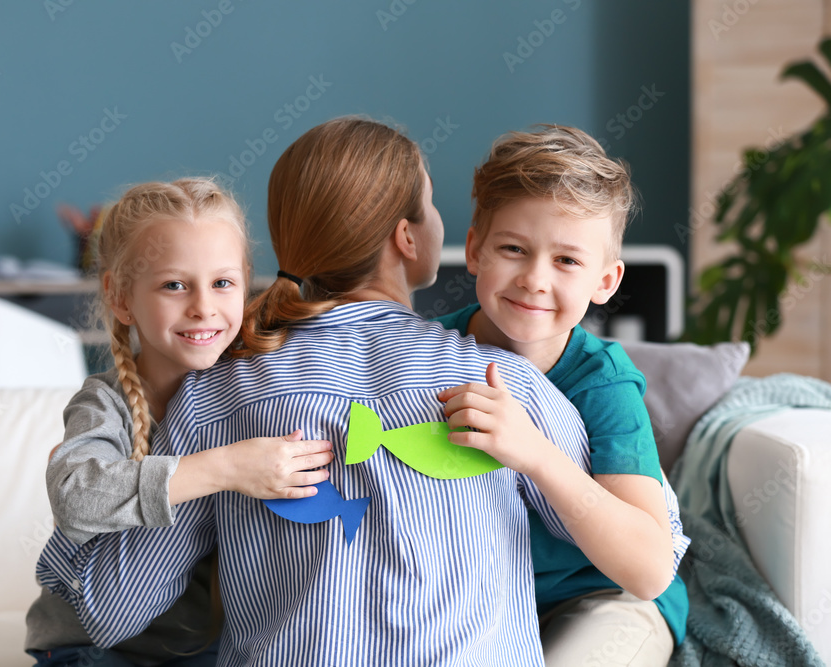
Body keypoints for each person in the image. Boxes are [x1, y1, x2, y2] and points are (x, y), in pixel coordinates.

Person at [35, 116, 677, 665]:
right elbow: (652, 555)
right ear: (409, 237)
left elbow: (111, 609)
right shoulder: (503, 385)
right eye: (430, 207)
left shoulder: (213, 395)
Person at [25, 179, 334, 667]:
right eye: (174, 284)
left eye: (223, 283)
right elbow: (76, 495)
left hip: (204, 647)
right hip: (92, 646)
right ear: (121, 296)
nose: (203, 306)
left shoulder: (256, 395)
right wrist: (228, 467)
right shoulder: (105, 403)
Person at [434, 125, 690, 665]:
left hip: (602, 598)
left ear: (606, 280)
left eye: (567, 261)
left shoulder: (603, 384)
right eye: (513, 249)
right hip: (479, 602)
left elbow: (647, 568)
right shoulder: (428, 353)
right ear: (476, 249)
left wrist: (535, 452)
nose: (534, 279)